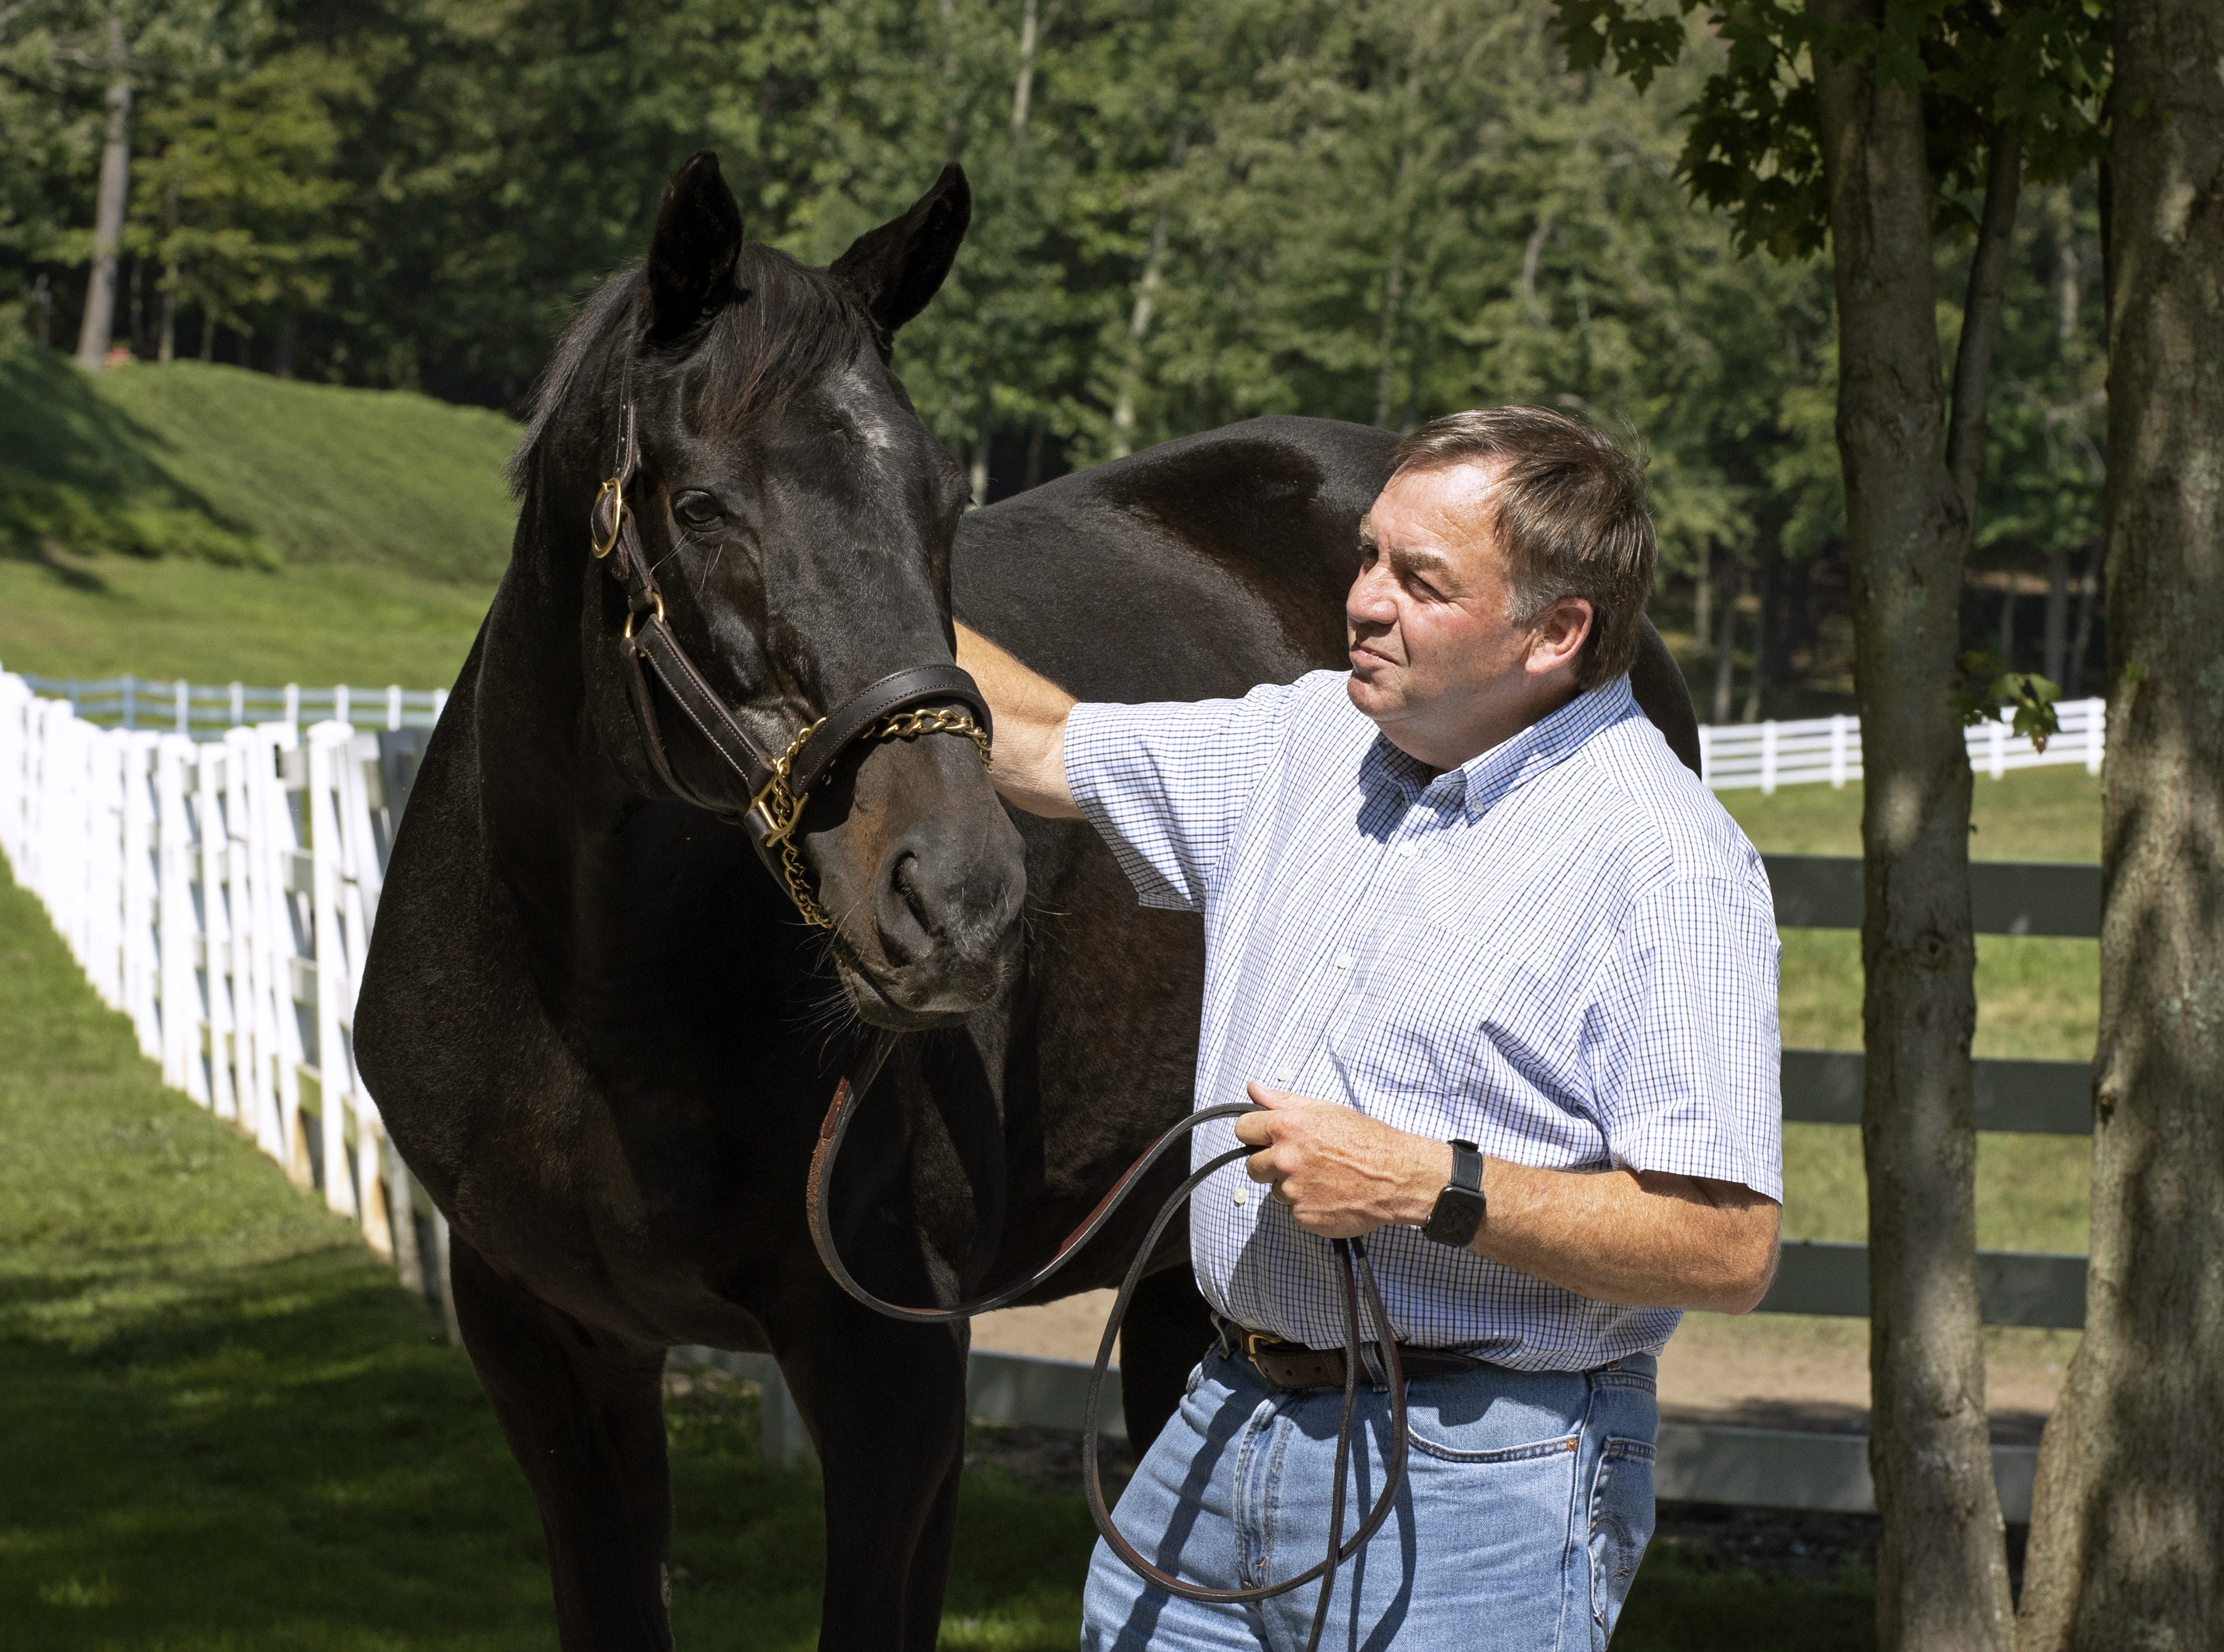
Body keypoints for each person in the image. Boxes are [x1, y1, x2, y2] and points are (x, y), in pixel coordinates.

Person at [954, 406, 1782, 1652]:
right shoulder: (1304, 740)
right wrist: (860, 565)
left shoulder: (1662, 863)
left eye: (1421, 580)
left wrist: (1422, 1184)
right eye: (1366, 556)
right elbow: (1037, 741)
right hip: (1219, 1418)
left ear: (1553, 632)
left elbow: (1725, 1247)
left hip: (1485, 1471)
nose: (1363, 602)